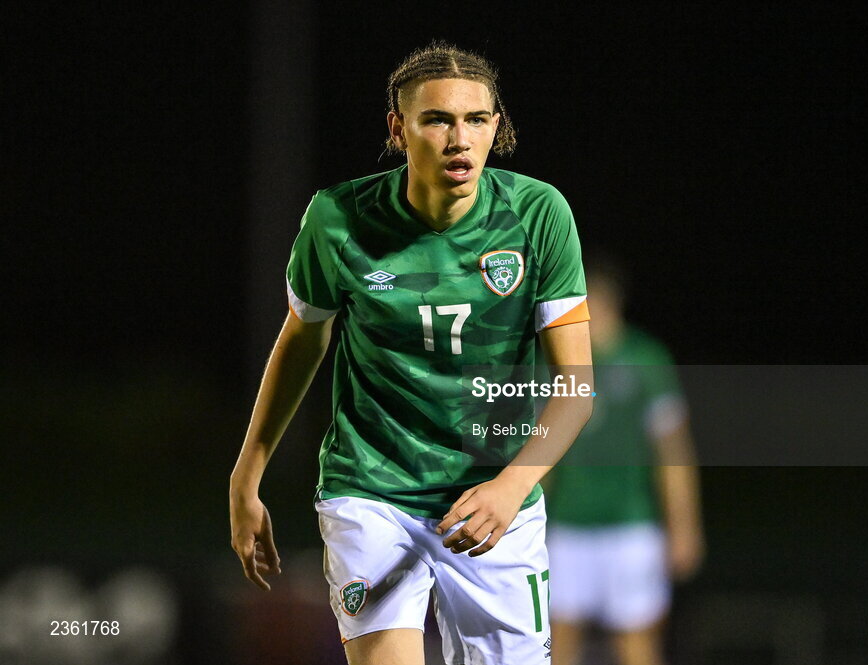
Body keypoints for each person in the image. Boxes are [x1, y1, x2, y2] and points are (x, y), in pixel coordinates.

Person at [228, 42, 593, 665]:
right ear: (399, 129)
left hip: (493, 501)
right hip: (372, 489)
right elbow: (301, 340)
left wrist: (511, 488)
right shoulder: (338, 218)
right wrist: (247, 473)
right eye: (438, 120)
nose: (460, 139)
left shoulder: (537, 215)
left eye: (477, 120)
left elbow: (576, 390)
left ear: (495, 127)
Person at [544, 252, 704, 665]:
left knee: (636, 643)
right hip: (567, 525)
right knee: (555, 641)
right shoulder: (559, 361)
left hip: (631, 527)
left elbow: (673, 449)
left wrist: (683, 524)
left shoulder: (646, 359)